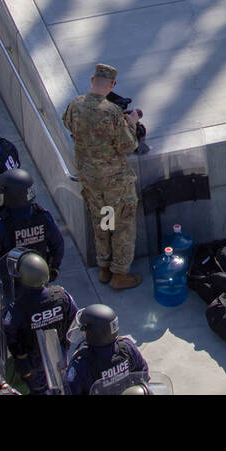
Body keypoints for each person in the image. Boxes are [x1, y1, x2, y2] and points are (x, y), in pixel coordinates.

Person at [62, 64, 142, 291]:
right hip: (115, 184)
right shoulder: (112, 112)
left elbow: (68, 123)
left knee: (104, 222)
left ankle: (104, 268)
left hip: (90, 181)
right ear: (112, 85)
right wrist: (132, 123)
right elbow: (128, 145)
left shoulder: (75, 105)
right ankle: (120, 274)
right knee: (122, 226)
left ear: (91, 80)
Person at [0, 169, 65, 314]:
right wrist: (53, 268)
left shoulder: (2, 225)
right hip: (38, 277)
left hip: (12, 284)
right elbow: (58, 245)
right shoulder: (43, 216)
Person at [1, 251, 78, 394]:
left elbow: (9, 336)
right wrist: (65, 343)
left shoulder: (17, 309)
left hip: (32, 364)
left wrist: (20, 357)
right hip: (59, 355)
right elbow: (75, 320)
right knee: (62, 387)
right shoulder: (62, 296)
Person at [63, 304, 147, 395]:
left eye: (84, 330)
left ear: (94, 333)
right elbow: (143, 374)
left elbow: (70, 390)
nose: (82, 333)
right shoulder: (127, 347)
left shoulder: (81, 362)